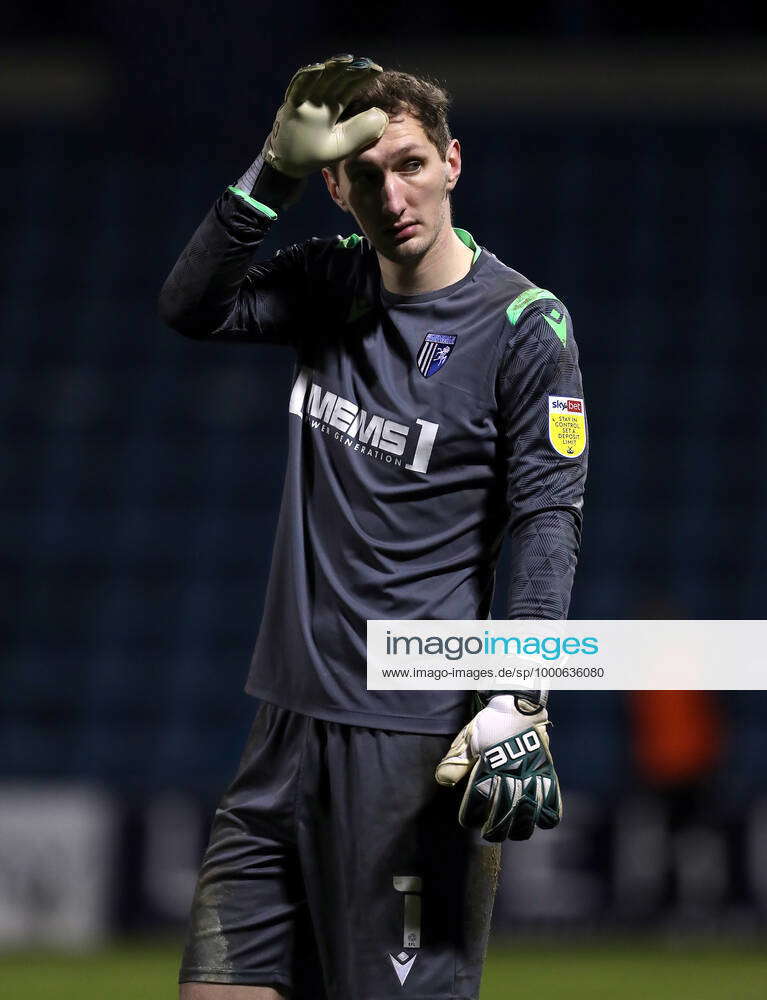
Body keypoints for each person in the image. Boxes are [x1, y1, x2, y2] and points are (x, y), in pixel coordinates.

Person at [159, 54, 587, 1000]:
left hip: (410, 743)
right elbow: (191, 308)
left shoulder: (523, 326)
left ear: (452, 163)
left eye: (410, 165)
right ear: (335, 184)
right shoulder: (326, 282)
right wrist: (268, 170)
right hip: (282, 730)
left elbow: (547, 519)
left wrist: (520, 697)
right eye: (364, 173)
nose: (391, 194)